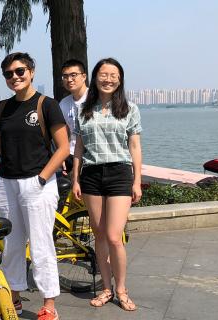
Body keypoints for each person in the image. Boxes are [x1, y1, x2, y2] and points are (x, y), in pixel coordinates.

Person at [0, 52, 70, 320]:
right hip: (7, 183)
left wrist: (42, 178)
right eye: (9, 74)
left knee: (40, 244)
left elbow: (63, 148)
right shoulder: (1, 107)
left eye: (20, 71)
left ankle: (49, 304)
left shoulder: (47, 105)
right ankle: (13, 295)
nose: (15, 77)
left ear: (32, 71)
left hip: (38, 182)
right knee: (11, 244)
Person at [71, 58, 142, 312]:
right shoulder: (84, 109)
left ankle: (121, 289)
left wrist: (137, 180)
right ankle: (106, 288)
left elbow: (134, 146)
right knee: (99, 235)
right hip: (91, 175)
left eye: (113, 75)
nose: (108, 79)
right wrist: (75, 178)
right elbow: (79, 147)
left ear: (120, 79)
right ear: (95, 77)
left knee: (114, 236)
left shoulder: (129, 109)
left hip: (119, 173)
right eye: (103, 74)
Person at [58, 59, 89, 175]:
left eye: (73, 75)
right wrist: (61, 157)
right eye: (65, 76)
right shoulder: (63, 104)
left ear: (84, 76)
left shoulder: (95, 100)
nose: (69, 79)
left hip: (92, 156)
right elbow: (64, 134)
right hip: (71, 155)